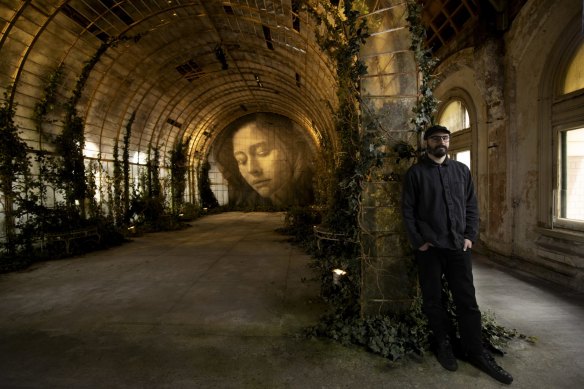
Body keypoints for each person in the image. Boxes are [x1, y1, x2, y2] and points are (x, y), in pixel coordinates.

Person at [401, 124, 513, 385]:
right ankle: (444, 345)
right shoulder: (416, 173)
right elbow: (408, 211)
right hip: (430, 250)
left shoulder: (462, 171)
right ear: (427, 142)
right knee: (433, 301)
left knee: (467, 301)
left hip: (458, 248)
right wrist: (419, 242)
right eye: (436, 138)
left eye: (446, 138)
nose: (442, 142)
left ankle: (475, 352)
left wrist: (469, 236)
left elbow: (472, 205)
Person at [214, 113, 315, 208]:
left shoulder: (317, 190)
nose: (252, 169)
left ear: (292, 150)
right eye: (241, 160)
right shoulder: (247, 202)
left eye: (262, 152)